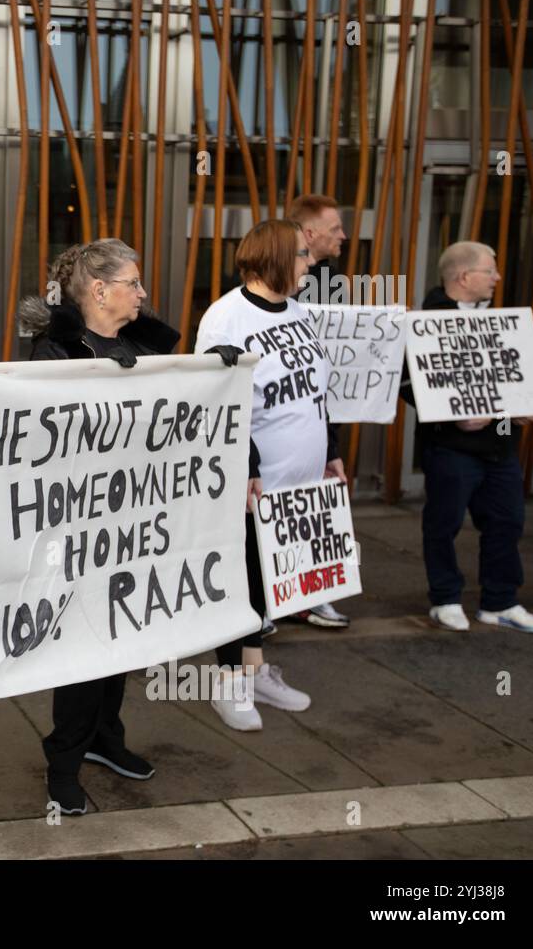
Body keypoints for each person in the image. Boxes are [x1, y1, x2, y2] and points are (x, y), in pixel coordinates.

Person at [18, 239, 227, 815]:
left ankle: (105, 740)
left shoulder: (142, 343)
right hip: (79, 524)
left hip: (132, 520)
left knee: (121, 636)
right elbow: (46, 433)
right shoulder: (54, 351)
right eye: (132, 282)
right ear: (100, 290)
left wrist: (217, 373)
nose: (142, 292)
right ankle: (64, 760)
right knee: (82, 648)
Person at [194, 219, 346, 731]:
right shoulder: (227, 319)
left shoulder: (300, 312)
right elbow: (220, 403)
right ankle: (229, 685)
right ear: (277, 257)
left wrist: (332, 449)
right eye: (304, 254)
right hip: (253, 484)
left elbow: (315, 387)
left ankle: (255, 673)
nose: (313, 262)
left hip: (298, 484)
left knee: (269, 587)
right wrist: (249, 468)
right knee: (242, 588)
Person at [400, 241, 533, 633]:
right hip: (450, 446)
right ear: (464, 277)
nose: (498, 277)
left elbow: (506, 379)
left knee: (507, 521)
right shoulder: (424, 321)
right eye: (490, 270)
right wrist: (450, 414)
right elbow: (405, 383)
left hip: (499, 443)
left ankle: (500, 601)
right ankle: (445, 598)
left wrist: (519, 405)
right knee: (443, 523)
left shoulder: (498, 320)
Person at [283, 193, 351, 630]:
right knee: (287, 511)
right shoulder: (283, 288)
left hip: (323, 411)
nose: (344, 235)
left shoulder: (334, 281)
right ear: (308, 235)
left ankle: (314, 591)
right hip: (289, 418)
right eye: (335, 228)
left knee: (318, 508)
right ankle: (285, 598)